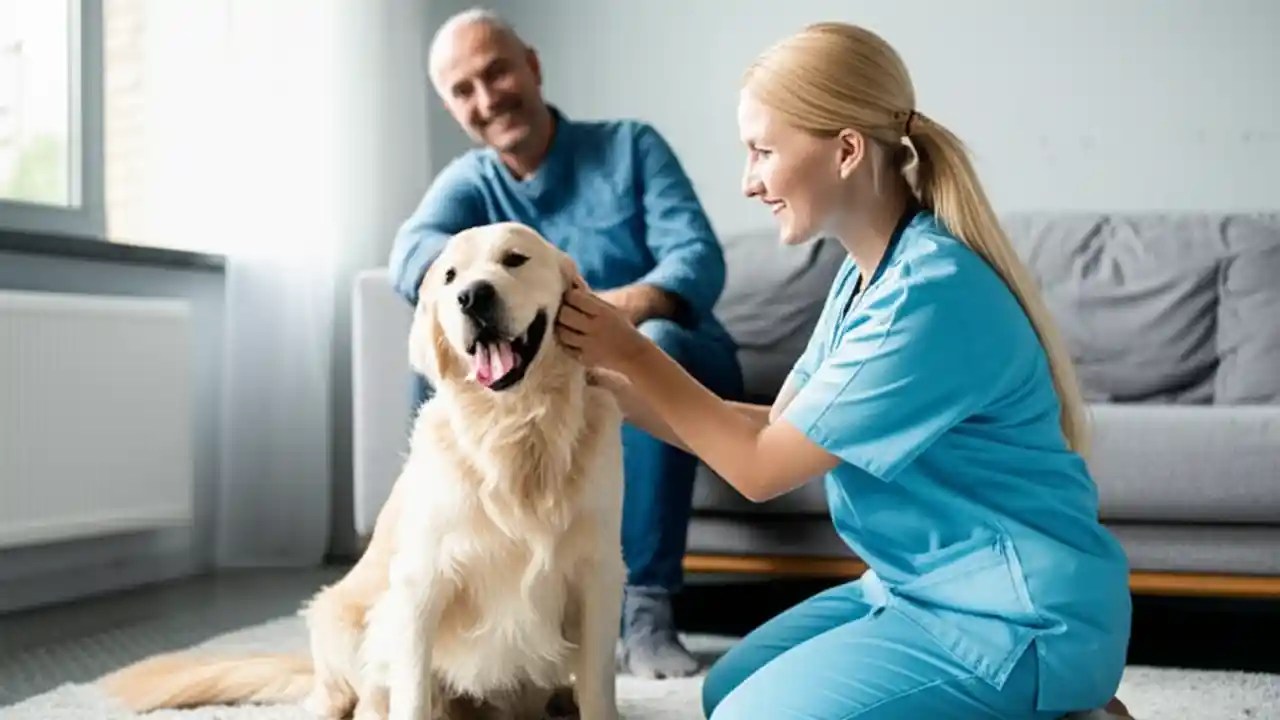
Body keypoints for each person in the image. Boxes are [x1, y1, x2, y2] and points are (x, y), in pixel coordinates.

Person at [556, 21, 1134, 720]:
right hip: (910, 587)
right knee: (724, 692)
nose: (748, 181)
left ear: (847, 151)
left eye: (762, 151)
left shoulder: (927, 294)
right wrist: (597, 385)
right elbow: (775, 426)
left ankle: (1060, 702)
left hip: (1014, 617)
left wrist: (629, 346)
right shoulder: (863, 277)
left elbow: (761, 466)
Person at [386, 8, 743, 679]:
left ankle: (646, 609)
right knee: (449, 354)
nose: (488, 98)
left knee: (658, 339)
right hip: (553, 370)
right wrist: (478, 282)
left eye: (497, 72)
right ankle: (433, 575)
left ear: (533, 66)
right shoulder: (471, 181)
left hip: (676, 353)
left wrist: (605, 316)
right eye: (465, 90)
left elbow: (696, 257)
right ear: (451, 106)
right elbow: (412, 257)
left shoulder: (631, 147)